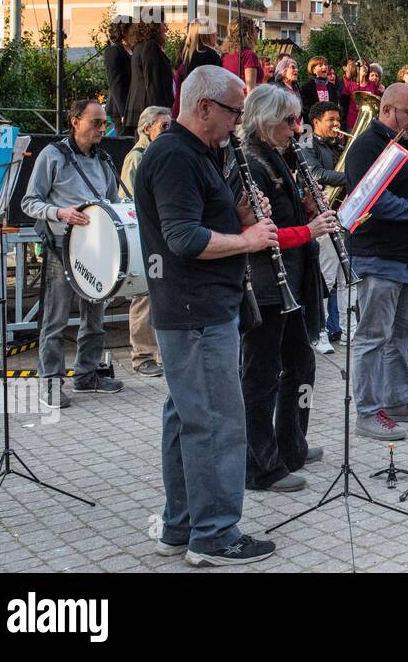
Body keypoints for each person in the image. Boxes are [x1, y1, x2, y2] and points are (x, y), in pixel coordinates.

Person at [134, 65, 279, 566]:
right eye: (234, 112)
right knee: (216, 422)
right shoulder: (175, 156)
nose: (238, 123)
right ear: (203, 108)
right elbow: (184, 239)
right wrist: (249, 238)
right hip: (195, 310)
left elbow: (198, 222)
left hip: (195, 308)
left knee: (186, 418)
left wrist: (235, 215)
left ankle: (181, 527)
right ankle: (215, 535)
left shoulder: (194, 154)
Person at [236, 85, 338, 492]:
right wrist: (309, 229)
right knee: (260, 376)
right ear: (265, 121)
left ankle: (291, 443)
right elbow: (261, 231)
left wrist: (310, 207)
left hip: (295, 278)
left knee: (301, 365)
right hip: (266, 283)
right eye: (288, 121)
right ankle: (259, 465)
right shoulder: (251, 163)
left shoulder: (281, 156)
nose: (296, 130)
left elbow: (287, 212)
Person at [344, 83, 408, 437]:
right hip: (379, 256)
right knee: (373, 336)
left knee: (402, 334)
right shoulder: (367, 147)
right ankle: (368, 412)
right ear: (388, 110)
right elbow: (372, 201)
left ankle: (397, 400)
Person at [21, 99, 126, 409]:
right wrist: (60, 213)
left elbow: (111, 204)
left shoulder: (104, 160)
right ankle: (50, 382)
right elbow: (30, 202)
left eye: (104, 123)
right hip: (61, 249)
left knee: (95, 318)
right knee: (55, 319)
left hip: (97, 250)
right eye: (95, 122)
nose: (102, 128)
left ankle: (87, 374)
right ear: (75, 121)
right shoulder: (52, 155)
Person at [120, 105, 171, 376]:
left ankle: (157, 353)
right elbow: (128, 199)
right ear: (146, 128)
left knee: (159, 293)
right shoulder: (137, 157)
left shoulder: (158, 153)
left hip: (161, 235)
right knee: (144, 295)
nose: (168, 130)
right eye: (163, 126)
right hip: (145, 235)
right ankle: (142, 356)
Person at [301, 101, 349, 350]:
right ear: (316, 122)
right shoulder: (307, 144)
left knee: (347, 277)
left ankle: (348, 330)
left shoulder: (338, 145)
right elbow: (315, 173)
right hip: (322, 215)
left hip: (343, 215)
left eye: (337, 119)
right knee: (326, 278)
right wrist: (352, 177)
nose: (337, 124)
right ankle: (318, 332)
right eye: (331, 120)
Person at [124, 14, 175, 137]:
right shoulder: (150, 46)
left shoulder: (142, 46)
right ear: (154, 26)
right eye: (163, 24)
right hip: (149, 112)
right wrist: (159, 114)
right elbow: (153, 83)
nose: (166, 28)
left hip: (145, 110)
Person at [104, 15, 136, 135]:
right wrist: (124, 113)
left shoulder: (133, 50)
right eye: (132, 29)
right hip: (120, 110)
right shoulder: (114, 51)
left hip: (132, 108)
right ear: (123, 31)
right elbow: (116, 83)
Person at [220, 20, 262, 92]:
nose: (257, 33)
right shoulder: (249, 55)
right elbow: (250, 91)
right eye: (256, 29)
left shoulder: (224, 55)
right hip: (244, 101)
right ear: (248, 33)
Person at [345, 61, 380, 130]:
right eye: (362, 65)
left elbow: (376, 101)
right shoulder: (349, 85)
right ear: (357, 68)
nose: (365, 67)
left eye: (366, 65)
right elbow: (344, 103)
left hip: (367, 121)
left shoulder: (372, 85)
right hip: (352, 121)